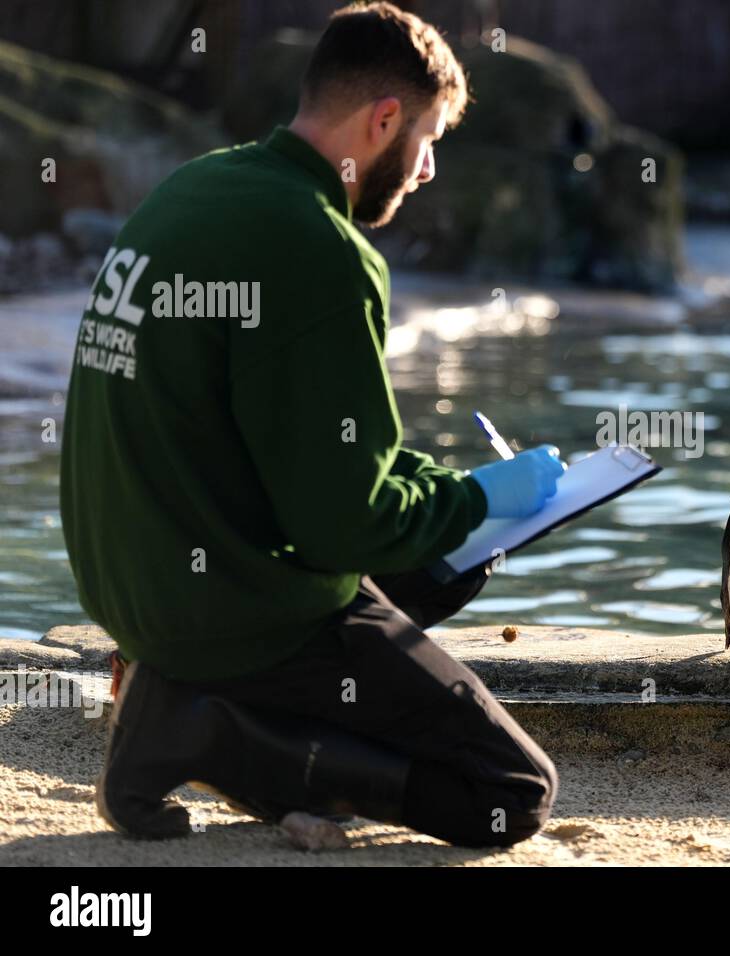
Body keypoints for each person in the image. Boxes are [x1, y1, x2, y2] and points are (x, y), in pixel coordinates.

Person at [60, 2, 562, 847]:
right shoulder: (320, 247)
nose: (430, 167)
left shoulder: (199, 185)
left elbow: (294, 451)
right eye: (429, 139)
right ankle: (212, 730)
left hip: (134, 587)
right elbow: (344, 525)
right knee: (510, 793)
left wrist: (454, 494)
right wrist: (479, 499)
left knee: (451, 564)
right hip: (222, 608)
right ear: (385, 120)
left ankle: (178, 691)